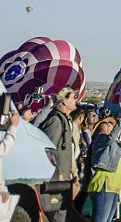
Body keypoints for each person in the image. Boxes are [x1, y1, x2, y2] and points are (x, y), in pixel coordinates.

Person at [36, 89, 83, 222]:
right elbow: (48, 149)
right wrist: (58, 173)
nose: (76, 100)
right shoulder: (56, 121)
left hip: (63, 178)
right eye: (73, 97)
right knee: (58, 216)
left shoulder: (64, 120)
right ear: (63, 102)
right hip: (56, 180)